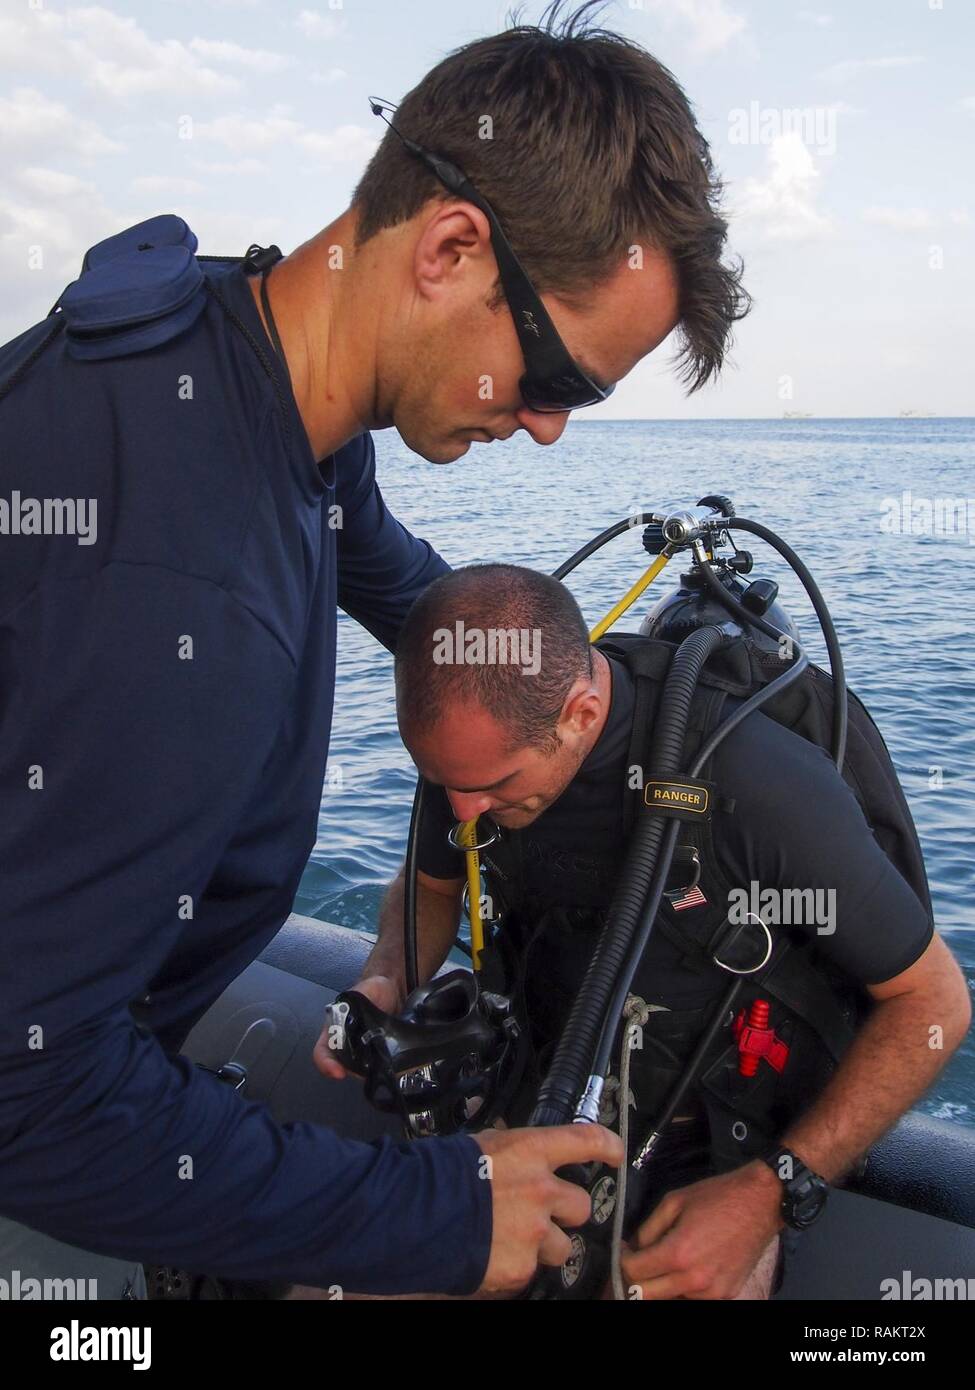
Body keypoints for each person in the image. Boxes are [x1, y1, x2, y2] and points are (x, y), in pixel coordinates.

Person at [0, 3, 749, 1298]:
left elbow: (411, 590)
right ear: (452, 247)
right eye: (558, 378)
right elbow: (26, 1085)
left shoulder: (231, 348)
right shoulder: (184, 598)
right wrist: (441, 1208)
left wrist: (611, 704)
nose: (549, 427)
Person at [320, 563, 972, 1300]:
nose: (462, 810)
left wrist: (768, 1192)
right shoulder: (468, 757)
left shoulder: (758, 788)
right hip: (533, 1083)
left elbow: (933, 1003)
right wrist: (386, 975)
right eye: (443, 783)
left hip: (720, 1146)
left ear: (581, 713)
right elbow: (433, 884)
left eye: (493, 786)